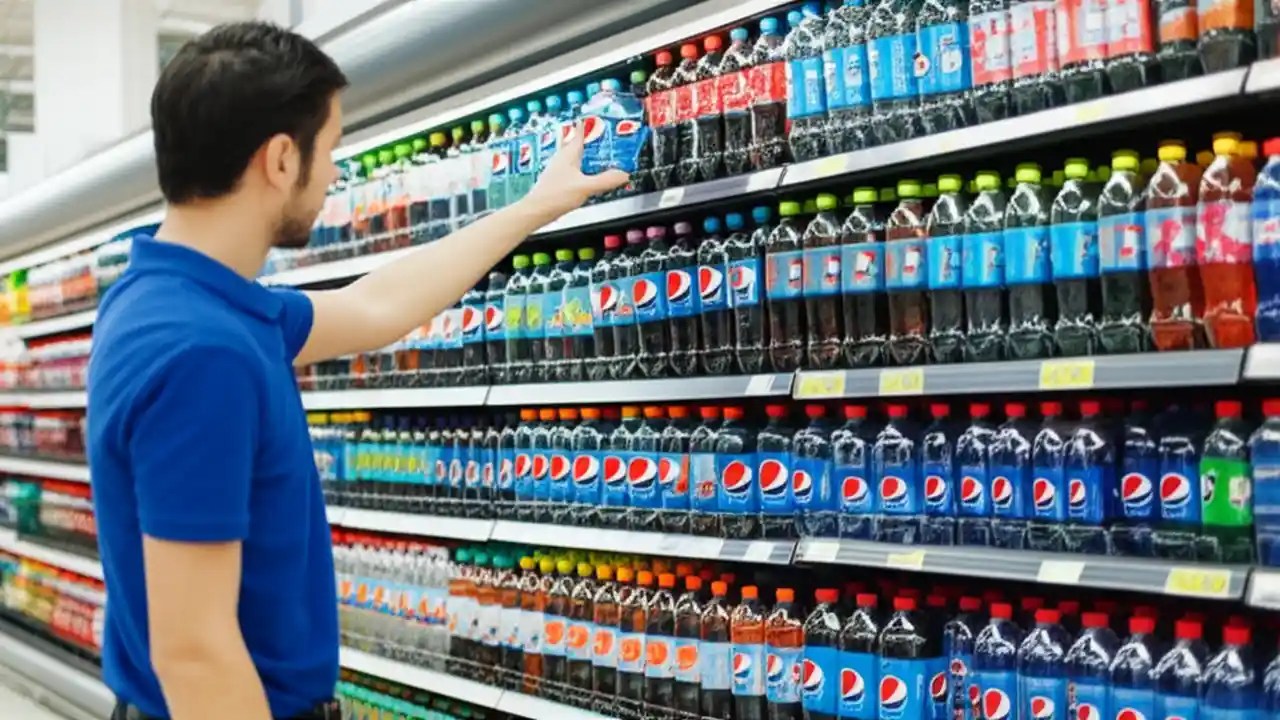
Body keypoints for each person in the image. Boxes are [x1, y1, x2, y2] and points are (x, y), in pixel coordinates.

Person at [87, 22, 627, 720]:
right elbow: (194, 652)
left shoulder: (170, 300)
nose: (335, 173)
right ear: (281, 159)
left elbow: (374, 306)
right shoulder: (203, 355)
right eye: (331, 149)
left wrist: (533, 208)